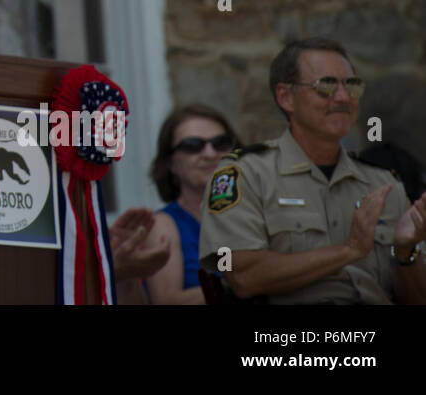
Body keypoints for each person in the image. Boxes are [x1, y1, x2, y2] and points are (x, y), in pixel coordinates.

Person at [198, 37, 426, 304]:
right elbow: (243, 277)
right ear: (286, 97)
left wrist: (405, 253)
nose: (342, 97)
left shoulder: (385, 183)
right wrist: (347, 251)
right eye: (326, 86)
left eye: (351, 85)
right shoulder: (246, 175)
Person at [145, 103, 238, 304]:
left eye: (220, 143)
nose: (210, 153)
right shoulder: (163, 225)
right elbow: (167, 301)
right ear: (171, 164)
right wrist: (255, 281)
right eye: (192, 146)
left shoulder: (253, 214)